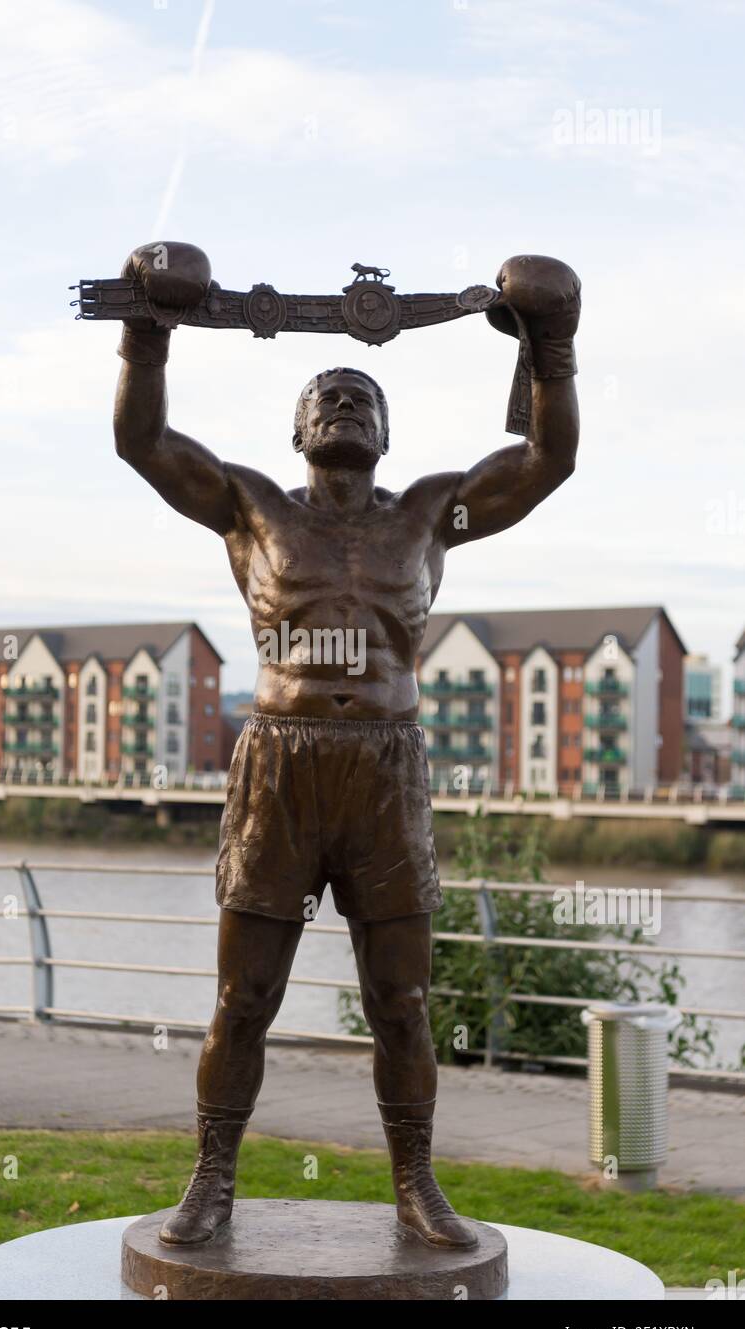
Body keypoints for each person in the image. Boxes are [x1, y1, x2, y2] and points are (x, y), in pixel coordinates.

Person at [113, 243, 580, 1247]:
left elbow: (546, 461)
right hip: (277, 766)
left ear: (385, 430)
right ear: (295, 430)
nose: (342, 403)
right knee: (243, 998)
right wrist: (147, 327)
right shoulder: (249, 505)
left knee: (403, 1002)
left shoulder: (429, 515)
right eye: (324, 393)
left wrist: (552, 345)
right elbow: (142, 442)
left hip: (384, 770)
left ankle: (414, 1182)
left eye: (361, 394)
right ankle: (210, 1179)